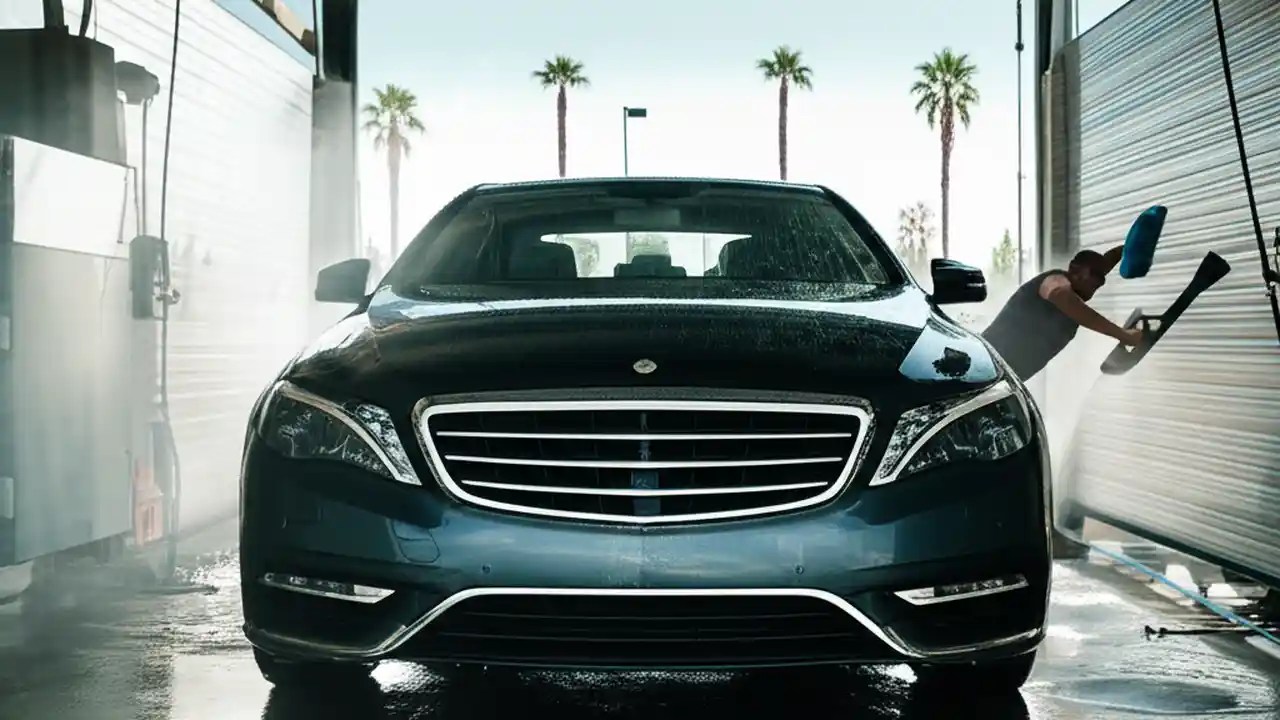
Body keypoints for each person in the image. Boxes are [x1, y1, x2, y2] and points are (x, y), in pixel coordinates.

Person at [982, 245, 1145, 382]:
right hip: (982, 365)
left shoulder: (1078, 290)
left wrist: (1131, 245)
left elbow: (1099, 267)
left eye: (1101, 279)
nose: (1100, 282)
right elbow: (1062, 296)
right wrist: (1123, 335)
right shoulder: (1055, 280)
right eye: (1095, 275)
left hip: (1003, 381)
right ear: (1073, 269)